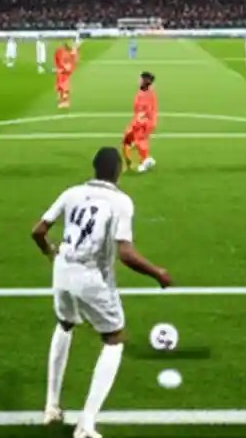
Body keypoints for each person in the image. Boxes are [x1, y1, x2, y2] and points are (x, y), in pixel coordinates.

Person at [31, 147, 172, 438]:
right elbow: (126, 254)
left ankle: (51, 406)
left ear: (94, 169)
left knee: (65, 325)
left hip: (62, 271)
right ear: (118, 171)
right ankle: (86, 424)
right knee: (114, 338)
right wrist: (158, 273)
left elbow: (38, 231)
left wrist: (50, 253)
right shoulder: (121, 202)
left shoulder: (71, 192)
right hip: (92, 278)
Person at [122, 72, 158, 173]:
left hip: (144, 122)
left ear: (145, 81)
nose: (138, 81)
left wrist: (139, 122)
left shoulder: (147, 95)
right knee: (131, 140)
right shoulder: (143, 92)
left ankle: (145, 161)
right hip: (141, 120)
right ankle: (143, 160)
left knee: (139, 141)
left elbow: (146, 111)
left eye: (140, 79)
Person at [55, 42, 76, 109]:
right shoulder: (61, 51)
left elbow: (69, 66)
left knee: (64, 86)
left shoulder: (70, 54)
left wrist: (62, 69)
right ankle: (62, 101)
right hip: (62, 72)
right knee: (60, 86)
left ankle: (65, 102)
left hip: (64, 72)